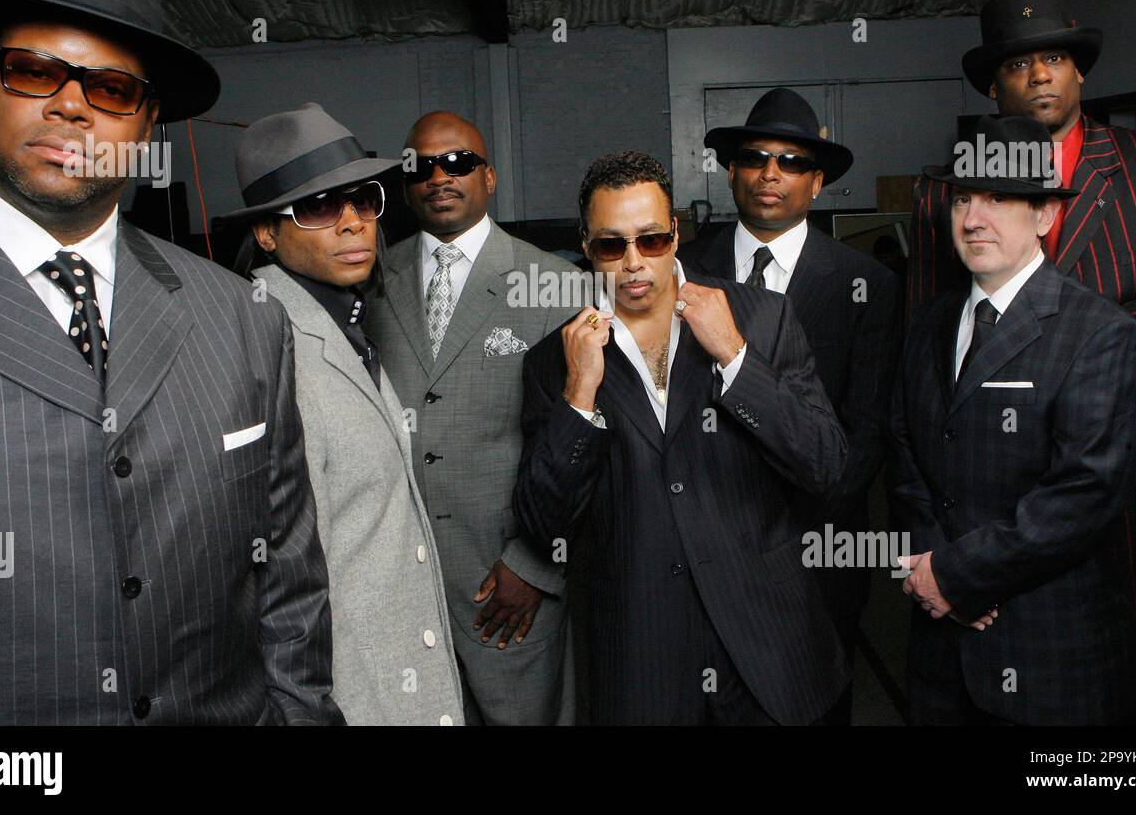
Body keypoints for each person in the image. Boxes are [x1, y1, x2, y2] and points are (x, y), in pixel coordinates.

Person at [0, 0, 339, 723]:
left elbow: (289, 589)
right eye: (34, 70)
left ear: (145, 128)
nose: (71, 104)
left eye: (111, 89)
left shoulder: (242, 319)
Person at [907, 0, 1136, 724]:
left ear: (1080, 70)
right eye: (1018, 63)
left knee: (1130, 700)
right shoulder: (943, 193)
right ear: (993, 85)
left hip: (1135, 487)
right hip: (987, 496)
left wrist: (1118, 356)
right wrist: (947, 560)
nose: (1039, 74)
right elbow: (925, 358)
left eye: (1054, 58)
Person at [514, 151, 849, 725]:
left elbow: (827, 465)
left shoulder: (760, 317)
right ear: (586, 245)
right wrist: (579, 397)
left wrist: (736, 357)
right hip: (644, 661)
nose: (634, 263)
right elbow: (544, 526)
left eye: (651, 241)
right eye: (612, 246)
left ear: (675, 233)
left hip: (770, 650)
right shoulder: (556, 361)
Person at [892, 115, 1136, 725]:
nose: (972, 219)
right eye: (963, 199)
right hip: (937, 647)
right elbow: (903, 453)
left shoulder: (1100, 334)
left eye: (999, 198)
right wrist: (930, 570)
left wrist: (957, 577)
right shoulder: (928, 323)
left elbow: (1083, 495)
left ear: (1044, 214)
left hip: (1042, 649)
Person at [220, 103, 463, 725]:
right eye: (320, 207)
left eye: (362, 200)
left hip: (401, 668)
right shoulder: (270, 345)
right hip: (353, 692)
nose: (353, 222)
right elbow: (280, 579)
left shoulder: (342, 321)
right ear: (267, 233)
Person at [681, 88, 901, 724]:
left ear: (818, 181)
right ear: (731, 171)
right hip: (703, 543)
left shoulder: (868, 285)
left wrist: (786, 537)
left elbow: (868, 430)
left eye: (792, 162)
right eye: (755, 158)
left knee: (815, 706)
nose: (770, 174)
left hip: (816, 549)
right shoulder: (680, 270)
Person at [364, 111, 580, 725]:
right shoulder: (369, 281)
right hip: (401, 588)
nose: (439, 176)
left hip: (507, 587)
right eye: (422, 166)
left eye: (458, 162)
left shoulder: (555, 286)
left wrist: (535, 565)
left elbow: (579, 448)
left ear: (489, 177)